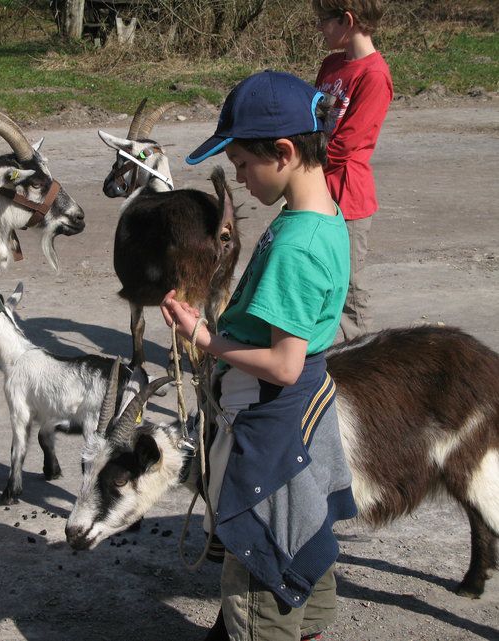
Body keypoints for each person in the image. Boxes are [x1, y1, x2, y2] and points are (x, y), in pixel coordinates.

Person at [170, 71, 358, 641]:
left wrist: (204, 338)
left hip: (273, 423)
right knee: (301, 539)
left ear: (283, 151)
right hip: (302, 416)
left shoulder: (296, 247)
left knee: (262, 569)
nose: (241, 179)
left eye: (245, 165)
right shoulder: (321, 220)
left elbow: (284, 365)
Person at [313, 0, 393, 340]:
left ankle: (369, 360)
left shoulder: (374, 76)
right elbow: (310, 121)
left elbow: (346, 145)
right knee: (316, 278)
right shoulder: (331, 65)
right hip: (316, 190)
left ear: (347, 20)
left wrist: (301, 164)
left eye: (323, 20)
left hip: (348, 199)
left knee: (347, 287)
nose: (319, 27)